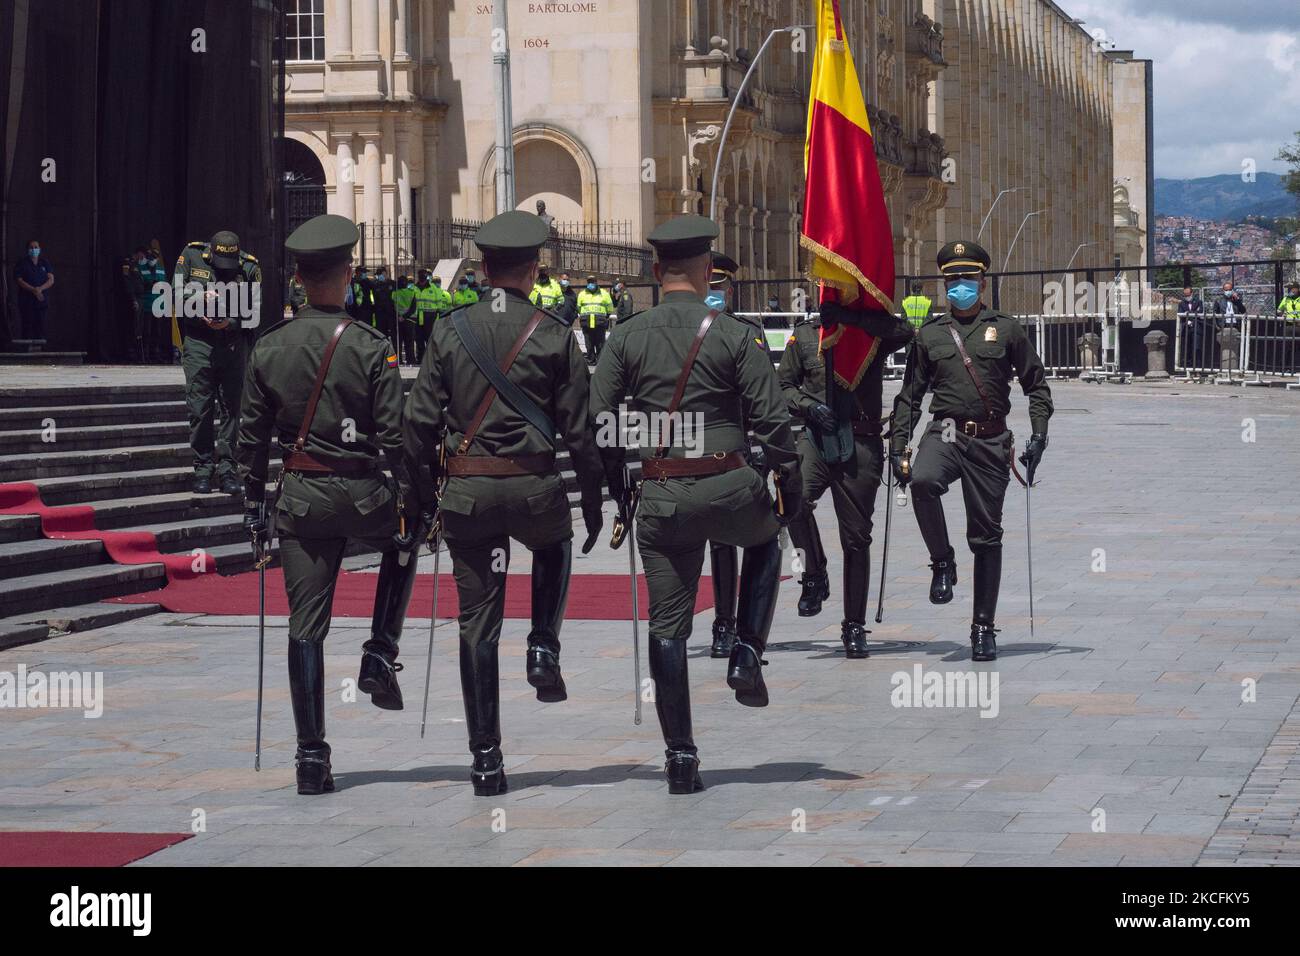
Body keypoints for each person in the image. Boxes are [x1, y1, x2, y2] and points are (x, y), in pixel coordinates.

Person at [589, 215, 803, 794]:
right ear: (709, 271)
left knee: (668, 627)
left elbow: (598, 422)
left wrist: (619, 487)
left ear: (656, 271)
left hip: (662, 492)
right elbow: (774, 425)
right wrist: (784, 477)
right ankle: (746, 652)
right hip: (729, 483)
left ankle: (680, 757)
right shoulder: (735, 335)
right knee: (766, 540)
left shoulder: (627, 335)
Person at [404, 211, 606, 797]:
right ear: (534, 267)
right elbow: (580, 429)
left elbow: (417, 422)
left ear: (483, 269)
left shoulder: (451, 328)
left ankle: (486, 759)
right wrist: (592, 501)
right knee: (553, 543)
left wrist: (420, 499)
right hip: (535, 487)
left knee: (477, 627)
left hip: (469, 493)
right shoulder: (554, 331)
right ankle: (543, 641)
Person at [237, 214, 421, 796]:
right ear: (345, 276)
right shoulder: (370, 347)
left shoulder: (269, 347)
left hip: (302, 498)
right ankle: (378, 651)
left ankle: (311, 758)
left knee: (305, 629)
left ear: (296, 278)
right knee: (405, 540)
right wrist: (415, 498)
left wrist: (253, 503)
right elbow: (395, 437)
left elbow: (249, 439)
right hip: (364, 493)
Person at [890, 240, 1053, 662]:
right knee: (923, 480)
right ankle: (942, 560)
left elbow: (1036, 384)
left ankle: (983, 627)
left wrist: (1039, 435)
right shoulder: (930, 335)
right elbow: (910, 396)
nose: (959, 285)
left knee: (985, 536)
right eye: (952, 279)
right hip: (945, 431)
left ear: (983, 282)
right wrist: (898, 446)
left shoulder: (1008, 329)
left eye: (967, 278)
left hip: (989, 438)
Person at [778, 297, 913, 657]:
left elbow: (905, 331)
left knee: (855, 537)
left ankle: (854, 625)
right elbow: (784, 385)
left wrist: (855, 317)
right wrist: (808, 406)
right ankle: (814, 572)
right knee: (793, 501)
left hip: (861, 440)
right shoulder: (807, 334)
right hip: (815, 437)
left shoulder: (869, 333)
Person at [702, 251, 773, 659]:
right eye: (708, 288)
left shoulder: (749, 333)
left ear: (730, 290)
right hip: (709, 448)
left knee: (756, 536)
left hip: (743, 446)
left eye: (719, 288)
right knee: (718, 541)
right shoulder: (690, 333)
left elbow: (765, 396)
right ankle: (723, 625)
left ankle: (745, 626)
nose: (714, 294)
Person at [174, 230, 260, 495]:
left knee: (232, 409)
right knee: (200, 408)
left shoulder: (249, 267)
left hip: (232, 344)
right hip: (199, 343)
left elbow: (254, 312)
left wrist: (229, 322)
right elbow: (174, 297)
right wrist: (199, 302)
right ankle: (202, 469)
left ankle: (227, 469)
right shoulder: (191, 256)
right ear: (210, 254)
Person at [14, 239, 54, 342]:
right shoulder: (22, 263)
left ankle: (39, 353)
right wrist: (33, 290)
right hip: (26, 301)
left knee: (40, 327)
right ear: (27, 250)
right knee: (27, 327)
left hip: (41, 301)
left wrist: (39, 289)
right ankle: (26, 354)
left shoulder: (44, 262)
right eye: (31, 247)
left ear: (39, 249)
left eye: (36, 247)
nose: (34, 249)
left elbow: (51, 279)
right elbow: (19, 280)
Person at [577, 275, 614, 365]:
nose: (591, 283)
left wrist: (606, 316)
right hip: (587, 323)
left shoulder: (604, 294)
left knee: (600, 344)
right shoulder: (582, 294)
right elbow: (578, 308)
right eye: (589, 282)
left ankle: (601, 362)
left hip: (599, 323)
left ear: (596, 282)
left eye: (593, 281)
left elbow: (610, 308)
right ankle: (591, 360)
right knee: (588, 343)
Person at [1177, 287, 1206, 369]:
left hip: (1196, 328)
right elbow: (1181, 314)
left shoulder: (1198, 302)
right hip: (1186, 329)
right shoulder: (1181, 303)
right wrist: (1187, 320)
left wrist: (1189, 313)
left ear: (1192, 293)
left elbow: (1200, 312)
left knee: (1197, 349)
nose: (1187, 296)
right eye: (1185, 295)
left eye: (1188, 294)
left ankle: (1198, 369)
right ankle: (1188, 370)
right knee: (1187, 349)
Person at [392, 274, 418, 364]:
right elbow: (413, 308)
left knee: (397, 343)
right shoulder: (411, 293)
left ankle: (397, 361)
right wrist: (405, 316)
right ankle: (411, 360)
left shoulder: (394, 293)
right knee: (409, 342)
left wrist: (399, 316)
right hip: (410, 320)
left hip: (398, 321)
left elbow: (392, 307)